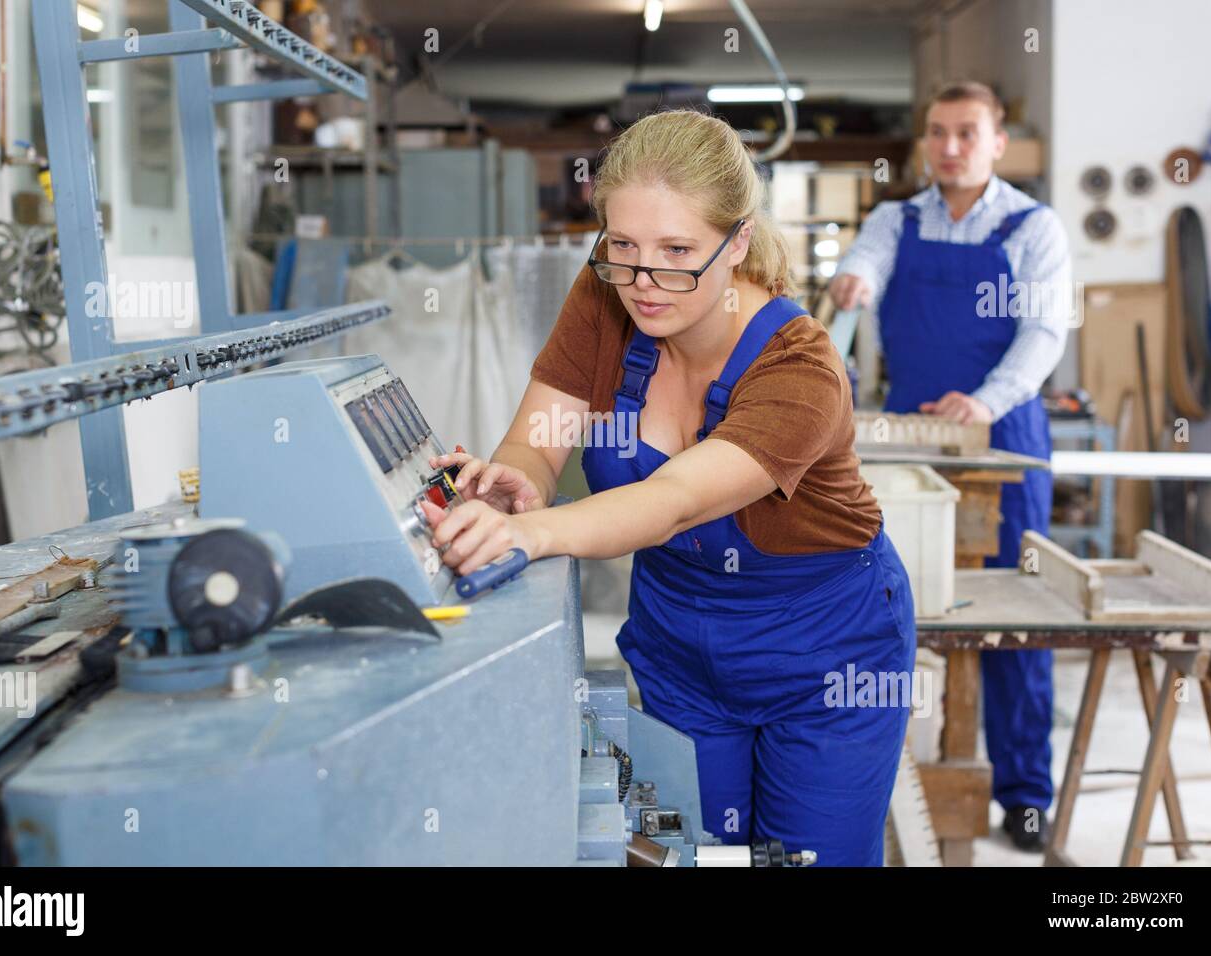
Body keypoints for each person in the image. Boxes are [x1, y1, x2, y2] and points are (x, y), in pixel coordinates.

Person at [418, 109, 915, 866]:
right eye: (623, 247)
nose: (643, 283)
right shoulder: (607, 292)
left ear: (738, 240)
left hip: (824, 656)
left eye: (677, 252)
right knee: (697, 853)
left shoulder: (801, 370)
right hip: (681, 641)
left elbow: (674, 499)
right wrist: (515, 483)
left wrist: (533, 533)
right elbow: (541, 438)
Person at [830, 80, 1072, 851]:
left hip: (1001, 439)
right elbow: (862, 267)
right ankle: (878, 786)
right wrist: (852, 282)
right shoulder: (892, 219)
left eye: (968, 132)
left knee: (1012, 618)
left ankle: (1026, 792)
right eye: (938, 132)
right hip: (907, 442)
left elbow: (1042, 333)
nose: (950, 147)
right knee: (889, 610)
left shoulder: (1034, 228)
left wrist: (986, 400)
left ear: (998, 142)